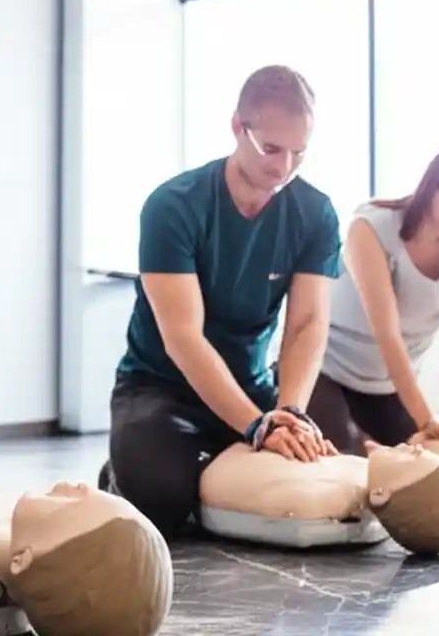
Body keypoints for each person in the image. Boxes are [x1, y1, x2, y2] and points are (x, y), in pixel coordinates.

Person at [97, 65, 342, 536]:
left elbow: (308, 322)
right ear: (237, 127)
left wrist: (287, 414)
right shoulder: (173, 206)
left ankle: (211, 460)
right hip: (160, 386)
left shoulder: (316, 213)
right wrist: (255, 429)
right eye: (270, 148)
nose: (283, 167)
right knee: (161, 500)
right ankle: (124, 472)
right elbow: (183, 338)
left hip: (252, 386)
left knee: (319, 458)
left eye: (299, 152)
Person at [304, 140, 439, 456]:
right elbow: (387, 331)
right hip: (323, 371)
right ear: (435, 186)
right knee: (350, 454)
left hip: (385, 386)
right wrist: (425, 419)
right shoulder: (370, 226)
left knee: (422, 459)